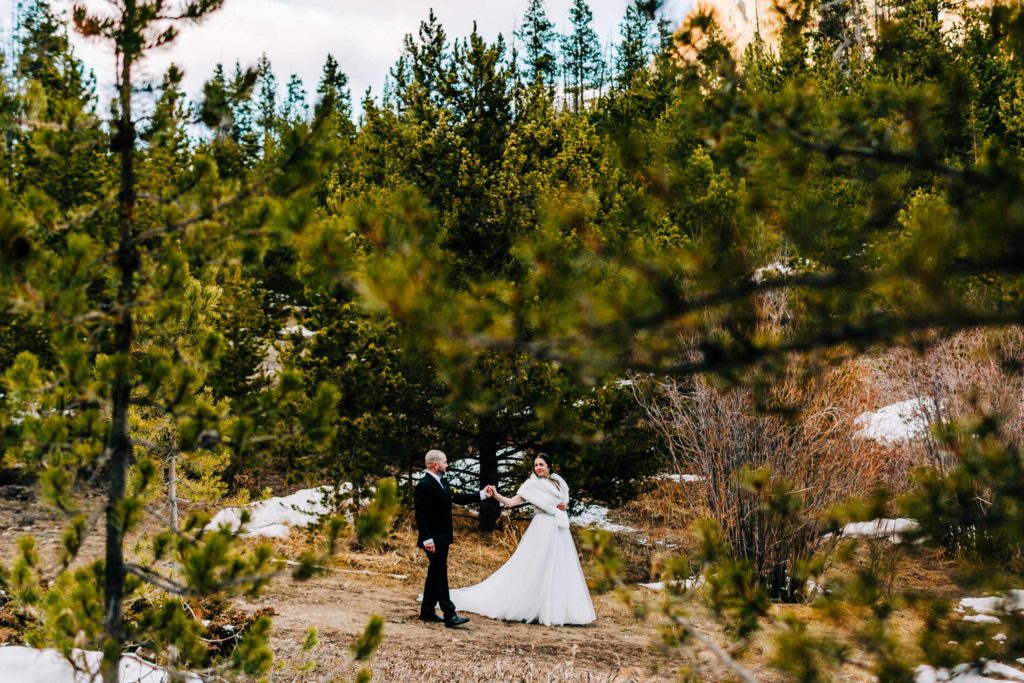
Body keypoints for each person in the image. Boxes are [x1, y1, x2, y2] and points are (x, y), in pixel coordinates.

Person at [449, 454, 597, 626]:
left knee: (559, 567)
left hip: (560, 529)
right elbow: (511, 502)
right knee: (536, 565)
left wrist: (566, 505)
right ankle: (531, 606)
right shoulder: (532, 484)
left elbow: (562, 502)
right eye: (536, 465)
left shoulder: (558, 482)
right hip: (542, 527)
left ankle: (556, 609)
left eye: (541, 464)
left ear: (549, 466)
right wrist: (496, 495)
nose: (538, 468)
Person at [414, 448, 492, 628]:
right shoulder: (424, 485)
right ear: (435, 465)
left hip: (443, 537)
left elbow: (460, 498)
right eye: (445, 462)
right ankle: (450, 614)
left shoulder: (443, 482)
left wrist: (482, 494)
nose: (447, 465)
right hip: (432, 539)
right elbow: (421, 515)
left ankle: (427, 611)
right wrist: (427, 539)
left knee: (435, 572)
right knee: (440, 573)